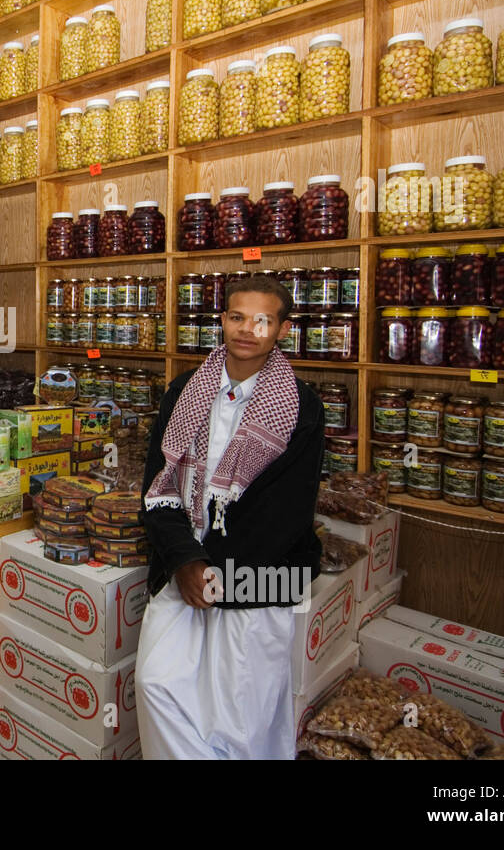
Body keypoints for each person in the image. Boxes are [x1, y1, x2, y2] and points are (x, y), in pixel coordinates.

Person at [136, 275, 324, 760]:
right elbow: (159, 484)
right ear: (222, 320)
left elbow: (286, 514)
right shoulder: (185, 390)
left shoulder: (302, 406)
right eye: (237, 317)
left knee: (241, 716)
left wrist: (218, 574)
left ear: (282, 329)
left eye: (262, 320)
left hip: (258, 577)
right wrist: (185, 561)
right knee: (158, 685)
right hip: (185, 568)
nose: (247, 329)